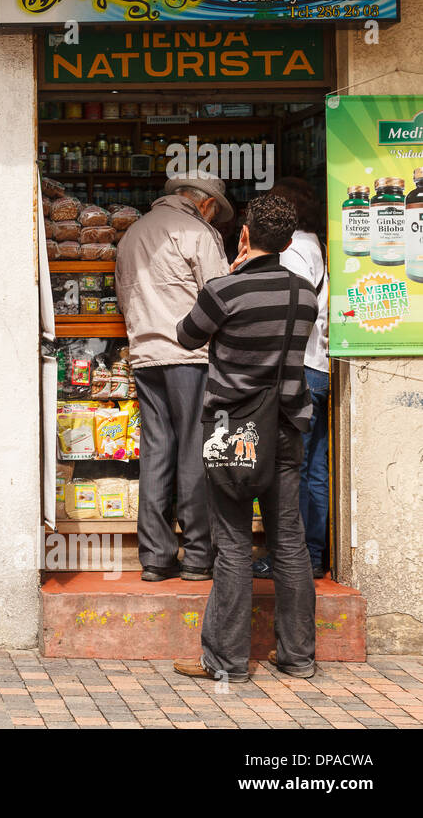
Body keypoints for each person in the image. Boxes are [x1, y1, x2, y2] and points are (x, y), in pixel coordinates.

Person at [173, 193, 318, 682]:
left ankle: (226, 661)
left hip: (230, 430)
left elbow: (187, 336)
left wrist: (231, 277)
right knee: (290, 543)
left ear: (245, 236)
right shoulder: (304, 294)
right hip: (286, 427)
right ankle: (297, 657)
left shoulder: (225, 291)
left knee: (232, 543)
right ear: (289, 241)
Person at [115, 173, 231, 582]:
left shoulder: (133, 234)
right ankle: (198, 555)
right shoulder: (196, 232)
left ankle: (155, 558)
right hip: (190, 356)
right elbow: (219, 298)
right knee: (193, 453)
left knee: (156, 452)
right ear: (205, 204)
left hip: (145, 356)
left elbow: (122, 294)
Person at [255, 178, 330, 581]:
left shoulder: (294, 251)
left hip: (301, 369)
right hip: (319, 365)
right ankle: (313, 556)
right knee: (314, 468)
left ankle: (291, 557)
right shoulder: (315, 245)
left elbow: (293, 308)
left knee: (292, 469)